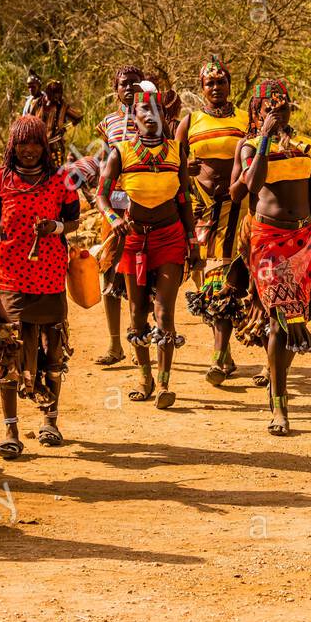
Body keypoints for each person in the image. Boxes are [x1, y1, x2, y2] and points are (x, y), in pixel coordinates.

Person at [236, 79, 311, 436]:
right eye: (270, 107)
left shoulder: (309, 146)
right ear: (258, 113)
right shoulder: (248, 147)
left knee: (295, 318)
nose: (279, 111)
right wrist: (264, 137)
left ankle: (278, 378)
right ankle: (280, 405)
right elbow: (253, 186)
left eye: (284, 106)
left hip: (303, 240)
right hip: (267, 240)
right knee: (278, 319)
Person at [96, 83, 199, 408]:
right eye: (144, 110)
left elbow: (183, 198)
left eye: (156, 111)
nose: (150, 116)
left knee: (164, 311)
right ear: (134, 115)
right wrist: (114, 220)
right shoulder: (121, 152)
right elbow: (101, 194)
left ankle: (166, 383)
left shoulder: (175, 151)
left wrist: (192, 240)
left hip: (170, 237)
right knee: (138, 313)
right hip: (134, 239)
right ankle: (145, 376)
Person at [0, 115, 80, 455]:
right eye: (22, 143)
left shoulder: (62, 180)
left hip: (51, 273)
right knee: (9, 352)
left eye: (35, 143)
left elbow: (73, 221)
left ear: (45, 146)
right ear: (13, 145)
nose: (29, 150)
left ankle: (50, 420)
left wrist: (53, 228)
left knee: (53, 349)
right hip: (9, 275)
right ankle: (11, 432)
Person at [175, 56, 249, 386]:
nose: (216, 88)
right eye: (210, 83)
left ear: (230, 85)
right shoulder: (190, 122)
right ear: (201, 88)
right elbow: (173, 165)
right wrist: (188, 169)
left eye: (221, 82)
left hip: (236, 210)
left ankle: (219, 358)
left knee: (222, 279)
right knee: (202, 281)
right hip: (198, 210)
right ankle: (226, 350)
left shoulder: (246, 120)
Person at [93, 65, 143, 366]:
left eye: (135, 84)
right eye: (124, 84)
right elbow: (104, 160)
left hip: (144, 204)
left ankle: (141, 340)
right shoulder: (108, 123)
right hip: (113, 205)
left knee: (140, 273)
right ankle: (114, 346)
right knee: (109, 271)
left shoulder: (155, 118)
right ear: (116, 90)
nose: (129, 89)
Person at [30, 79, 82, 167]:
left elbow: (78, 117)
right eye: (54, 94)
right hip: (38, 145)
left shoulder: (62, 106)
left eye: (58, 94)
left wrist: (65, 129)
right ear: (47, 93)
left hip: (55, 146)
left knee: (56, 173)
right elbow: (29, 119)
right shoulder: (37, 103)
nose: (56, 97)